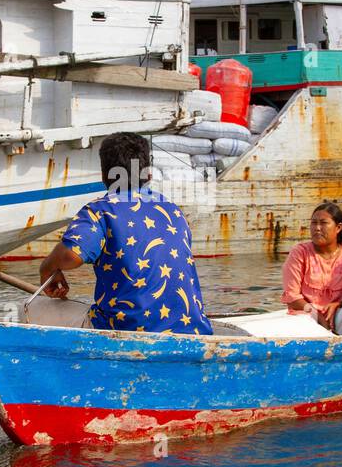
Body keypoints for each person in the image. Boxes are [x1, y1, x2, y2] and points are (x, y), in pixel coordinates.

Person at [38, 132, 213, 335]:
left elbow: (71, 255)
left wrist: (47, 268)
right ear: (148, 174)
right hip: (192, 330)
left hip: (125, 330)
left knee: (31, 308)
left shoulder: (100, 210)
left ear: (104, 175)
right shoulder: (172, 209)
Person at [280, 202, 342, 331]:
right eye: (314, 223)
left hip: (338, 311)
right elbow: (292, 297)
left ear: (338, 227)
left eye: (323, 223)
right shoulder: (299, 253)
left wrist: (337, 304)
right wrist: (318, 316)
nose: (317, 228)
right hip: (307, 313)